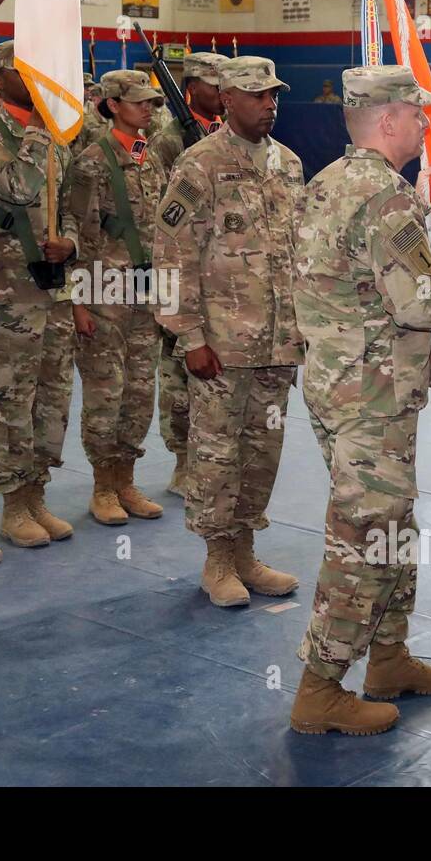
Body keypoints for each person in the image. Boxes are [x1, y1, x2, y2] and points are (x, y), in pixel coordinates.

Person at [289, 65, 431, 736]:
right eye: (417, 114)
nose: (426, 124)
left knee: (393, 522)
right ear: (387, 120)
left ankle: (389, 657)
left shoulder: (324, 184)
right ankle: (321, 687)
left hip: (340, 387)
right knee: (367, 533)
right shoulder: (386, 198)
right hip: (369, 397)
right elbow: (414, 303)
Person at [153, 56, 302, 608]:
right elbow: (170, 255)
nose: (270, 103)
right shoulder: (199, 165)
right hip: (220, 345)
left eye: (274, 94)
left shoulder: (288, 164)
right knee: (216, 454)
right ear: (228, 98)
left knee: (262, 451)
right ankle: (217, 562)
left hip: (276, 344)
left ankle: (245, 553)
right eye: (258, 95)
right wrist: (188, 337)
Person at [0, 40, 77, 547]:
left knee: (52, 397)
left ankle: (37, 493)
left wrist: (69, 239)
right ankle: (13, 504)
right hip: (9, 291)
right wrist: (37, 135)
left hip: (54, 290)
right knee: (13, 397)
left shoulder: (54, 134)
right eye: (21, 70)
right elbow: (15, 186)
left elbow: (69, 202)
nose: (33, 78)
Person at [62, 70, 167, 524]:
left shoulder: (151, 159)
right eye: (138, 101)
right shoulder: (91, 163)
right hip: (104, 295)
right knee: (107, 393)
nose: (147, 108)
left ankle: (126, 479)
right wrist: (78, 304)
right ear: (111, 105)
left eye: (150, 102)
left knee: (140, 392)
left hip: (146, 294)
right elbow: (78, 236)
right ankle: (103, 486)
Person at [145, 51, 227, 497]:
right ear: (193, 88)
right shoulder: (167, 141)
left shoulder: (230, 136)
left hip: (228, 277)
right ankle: (182, 459)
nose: (224, 96)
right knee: (179, 371)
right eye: (217, 88)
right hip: (184, 270)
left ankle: (215, 457)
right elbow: (161, 214)